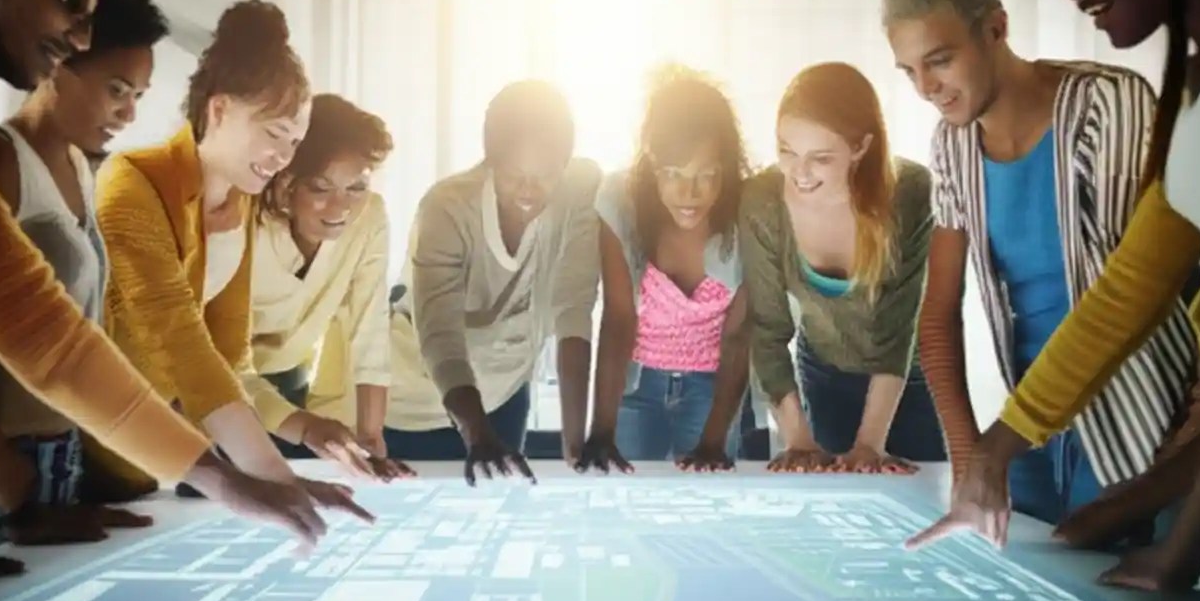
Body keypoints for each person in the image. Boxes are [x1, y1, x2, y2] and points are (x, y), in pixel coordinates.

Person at [0, 0, 357, 585]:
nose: (78, 36)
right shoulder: (101, 174)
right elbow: (43, 335)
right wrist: (232, 479)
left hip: (65, 463)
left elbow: (57, 337)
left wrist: (245, 472)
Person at [913, 0, 1200, 592]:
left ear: (995, 30)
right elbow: (1134, 286)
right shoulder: (1195, 91)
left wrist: (1161, 509)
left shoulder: (1112, 101)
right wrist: (986, 452)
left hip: (1138, 427)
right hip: (1041, 428)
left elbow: (1134, 297)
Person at [92, 0, 368, 512]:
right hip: (96, 448)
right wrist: (273, 475)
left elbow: (230, 360)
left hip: (165, 463)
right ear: (218, 110)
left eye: (295, 142)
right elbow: (179, 342)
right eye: (274, 134)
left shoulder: (240, 203)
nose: (283, 158)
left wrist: (300, 432)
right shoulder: (132, 182)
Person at [0, 0, 169, 566]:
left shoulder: (84, 170)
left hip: (54, 465)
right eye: (117, 89)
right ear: (60, 69)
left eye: (138, 96)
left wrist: (86, 472)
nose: (128, 113)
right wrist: (16, 492)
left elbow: (80, 330)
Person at [385, 80, 601, 486]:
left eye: (545, 175)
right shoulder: (446, 208)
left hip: (505, 393)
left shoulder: (579, 189)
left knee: (496, 514)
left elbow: (574, 306)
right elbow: (441, 337)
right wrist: (476, 433)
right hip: (416, 403)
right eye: (513, 175)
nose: (528, 190)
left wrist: (574, 441)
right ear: (490, 161)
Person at [741, 62, 944, 476]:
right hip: (823, 369)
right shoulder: (762, 202)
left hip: (909, 376)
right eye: (786, 151)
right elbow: (767, 330)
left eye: (820, 158)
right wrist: (797, 440)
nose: (798, 173)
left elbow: (898, 331)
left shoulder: (911, 193)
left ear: (861, 147)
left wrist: (870, 443)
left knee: (921, 497)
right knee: (832, 497)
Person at [582, 65, 750, 473]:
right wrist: (601, 429)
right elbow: (619, 317)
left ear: (726, 168)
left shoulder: (749, 213)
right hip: (637, 383)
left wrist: (714, 438)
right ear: (652, 163)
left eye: (706, 175)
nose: (689, 194)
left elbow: (740, 334)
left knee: (705, 501)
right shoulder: (620, 202)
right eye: (673, 174)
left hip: (714, 389)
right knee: (627, 501)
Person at [247, 93, 414, 481]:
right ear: (286, 184)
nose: (340, 208)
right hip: (220, 384)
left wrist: (370, 436)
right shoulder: (246, 222)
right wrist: (305, 427)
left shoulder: (370, 217)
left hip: (289, 380)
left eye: (356, 187)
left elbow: (369, 327)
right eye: (320, 189)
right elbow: (218, 360)